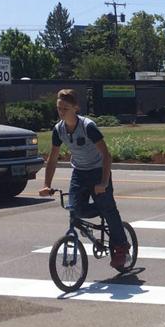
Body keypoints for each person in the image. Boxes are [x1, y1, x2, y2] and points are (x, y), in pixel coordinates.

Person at [38, 89, 129, 270]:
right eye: (59, 108)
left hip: (97, 170)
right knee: (75, 209)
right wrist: (46, 185)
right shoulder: (59, 130)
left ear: (75, 108)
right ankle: (101, 209)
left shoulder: (88, 127)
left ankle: (121, 247)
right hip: (79, 172)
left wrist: (103, 182)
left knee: (109, 209)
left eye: (65, 108)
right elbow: (53, 159)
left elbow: (106, 155)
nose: (61, 112)